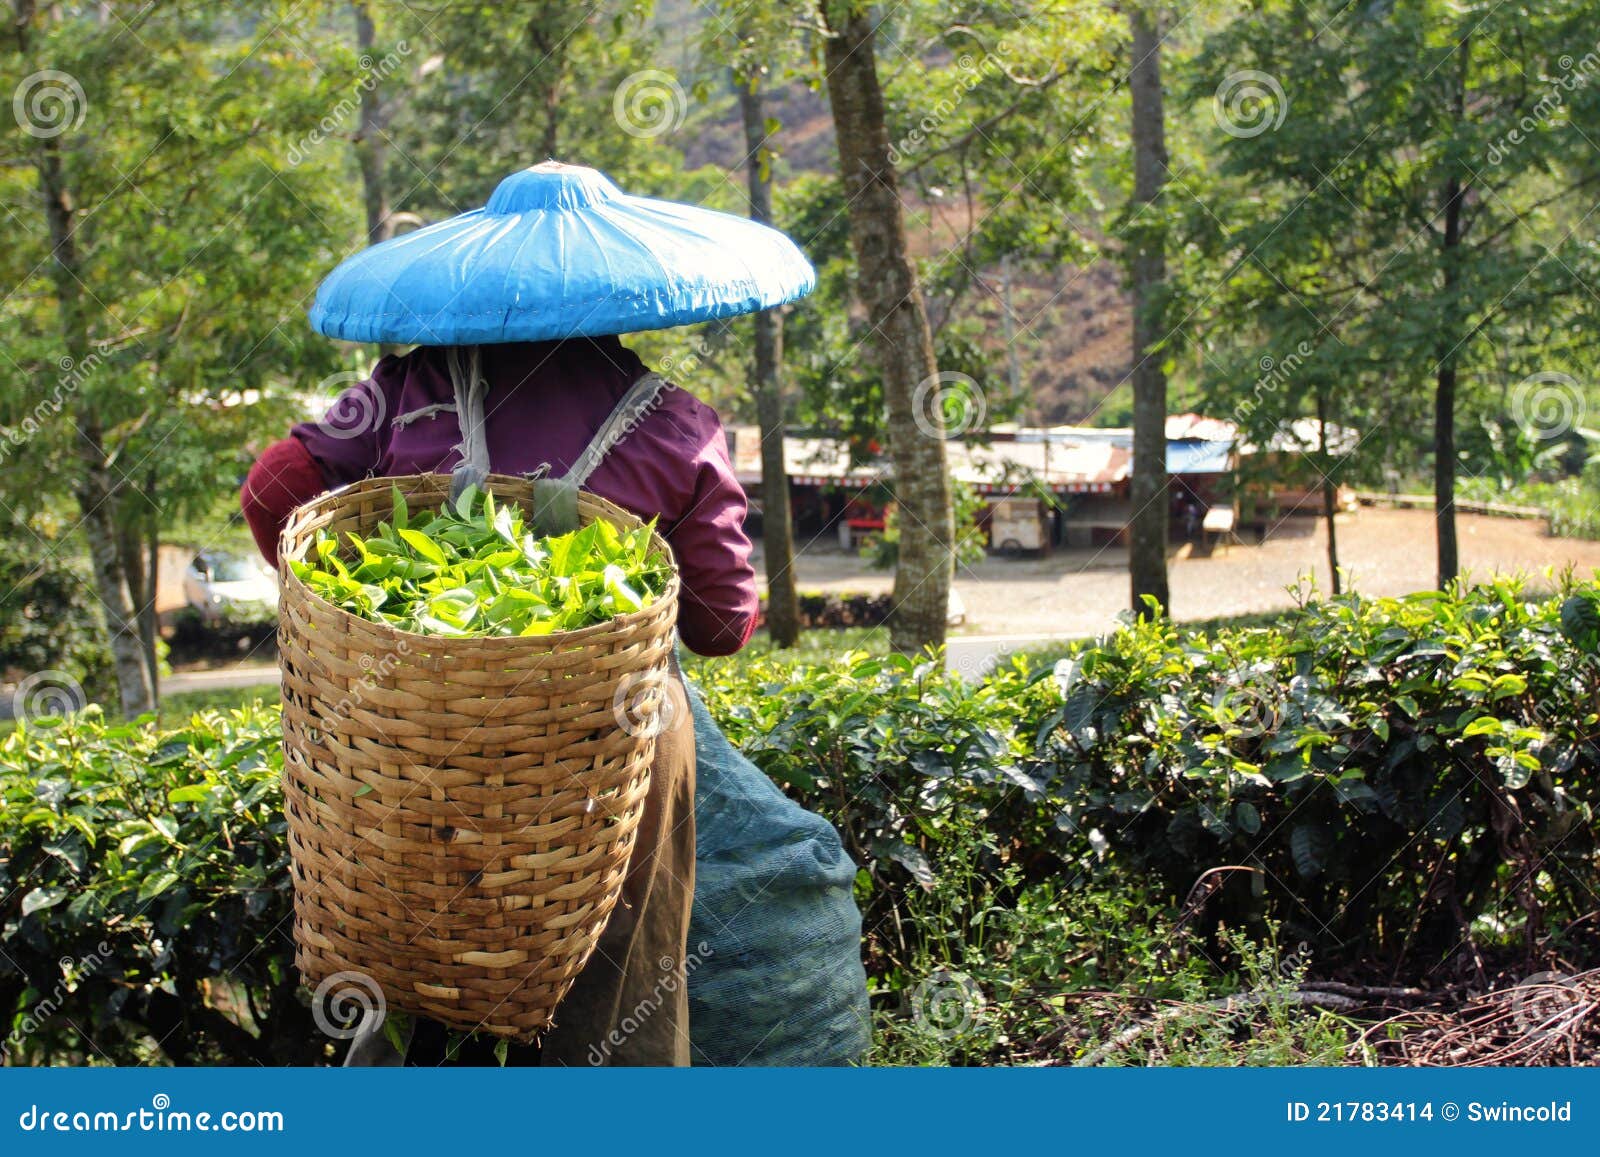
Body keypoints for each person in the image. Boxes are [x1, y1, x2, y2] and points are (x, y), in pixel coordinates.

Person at [243, 162, 816, 1066]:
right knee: (611, 984)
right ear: (620, 300)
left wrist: (340, 612)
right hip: (604, 740)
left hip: (413, 724)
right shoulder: (676, 423)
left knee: (409, 968)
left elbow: (273, 485)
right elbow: (720, 622)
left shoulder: (401, 387)